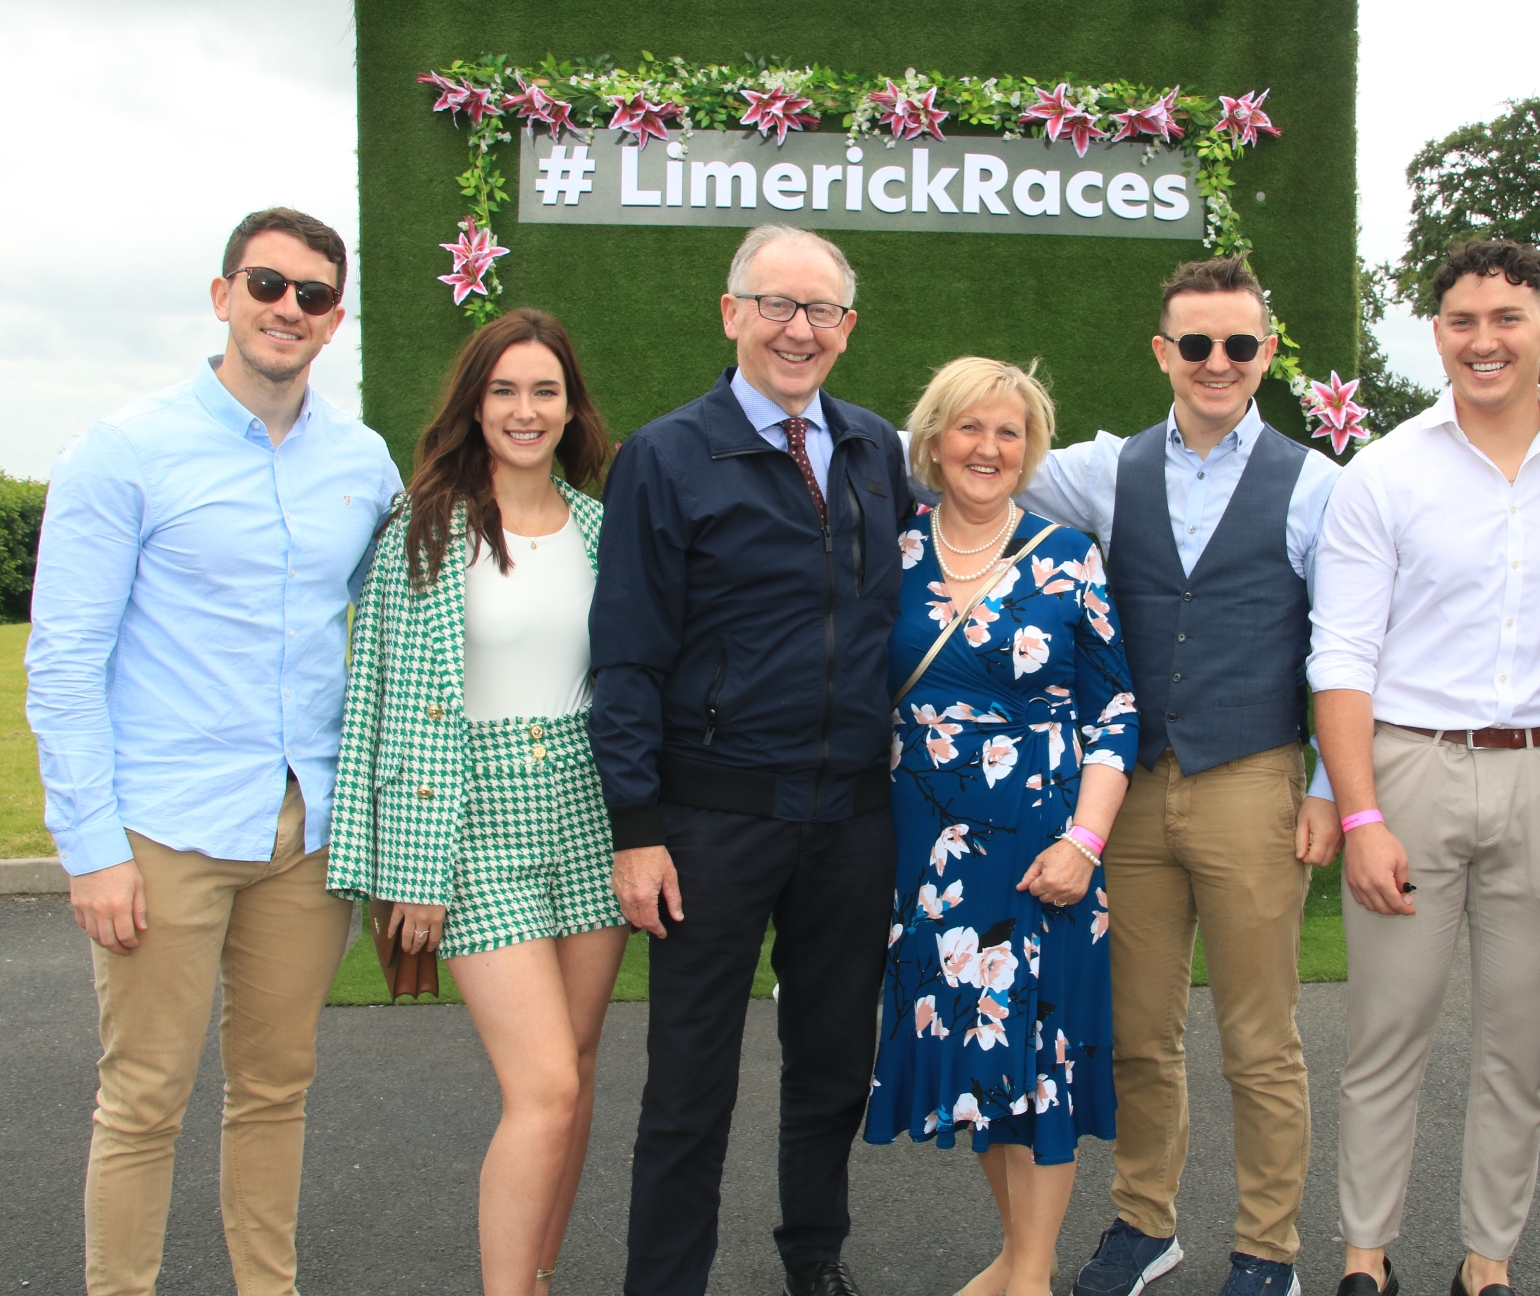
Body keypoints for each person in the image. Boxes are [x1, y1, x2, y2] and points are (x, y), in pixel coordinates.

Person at [25, 208, 401, 1296]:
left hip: (306, 832)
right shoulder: (122, 451)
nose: (288, 309)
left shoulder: (363, 461)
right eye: (267, 284)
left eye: (313, 295)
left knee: (277, 1089)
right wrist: (91, 849)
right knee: (144, 1099)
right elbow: (66, 661)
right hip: (162, 832)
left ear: (335, 320)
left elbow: (397, 622)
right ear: (223, 293)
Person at [988, 255, 1343, 1296]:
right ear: (1163, 352)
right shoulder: (1107, 470)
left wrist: (1330, 789)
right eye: (1196, 343)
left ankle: (1268, 1249)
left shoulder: (1318, 485)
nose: (1216, 362)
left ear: (1265, 353)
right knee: (1139, 1033)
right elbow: (968, 466)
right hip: (1131, 789)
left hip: (1252, 780)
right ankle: (1145, 1225)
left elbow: (1346, 646)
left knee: (1260, 1040)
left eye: (1238, 344)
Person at [591, 224, 916, 1296]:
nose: (798, 329)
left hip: (852, 819)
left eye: (820, 310)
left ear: (847, 328)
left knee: (832, 1066)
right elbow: (627, 655)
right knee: (690, 1083)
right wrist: (637, 829)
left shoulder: (874, 449)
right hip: (712, 821)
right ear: (732, 312)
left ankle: (814, 1258)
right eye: (777, 304)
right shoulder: (665, 455)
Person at [1309, 239, 1540, 1296]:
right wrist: (1361, 817)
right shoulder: (1387, 472)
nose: (1484, 341)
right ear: (1438, 333)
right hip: (1409, 775)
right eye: (1462, 321)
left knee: (1520, 1049)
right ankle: (1365, 1256)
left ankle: (1488, 1263)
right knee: (1385, 1035)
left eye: (1506, 318)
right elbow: (1342, 657)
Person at [326, 307, 626, 1296]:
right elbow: (384, 709)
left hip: (585, 813)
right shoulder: (422, 529)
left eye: (545, 390)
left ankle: (537, 1275)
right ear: (474, 404)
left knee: (577, 1068)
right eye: (504, 390)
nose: (525, 410)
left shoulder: (602, 529)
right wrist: (410, 872)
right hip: (472, 824)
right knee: (542, 1087)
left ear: (571, 407)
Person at [864, 357, 1140, 1296]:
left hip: (1045, 845)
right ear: (934, 440)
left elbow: (1115, 713)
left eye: (1009, 432)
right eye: (970, 428)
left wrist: (1084, 842)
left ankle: (1027, 1278)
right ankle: (1021, 1259)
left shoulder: (1068, 555)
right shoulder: (891, 551)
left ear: (1031, 449)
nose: (988, 448)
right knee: (979, 1052)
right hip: (930, 852)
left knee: (1039, 1055)